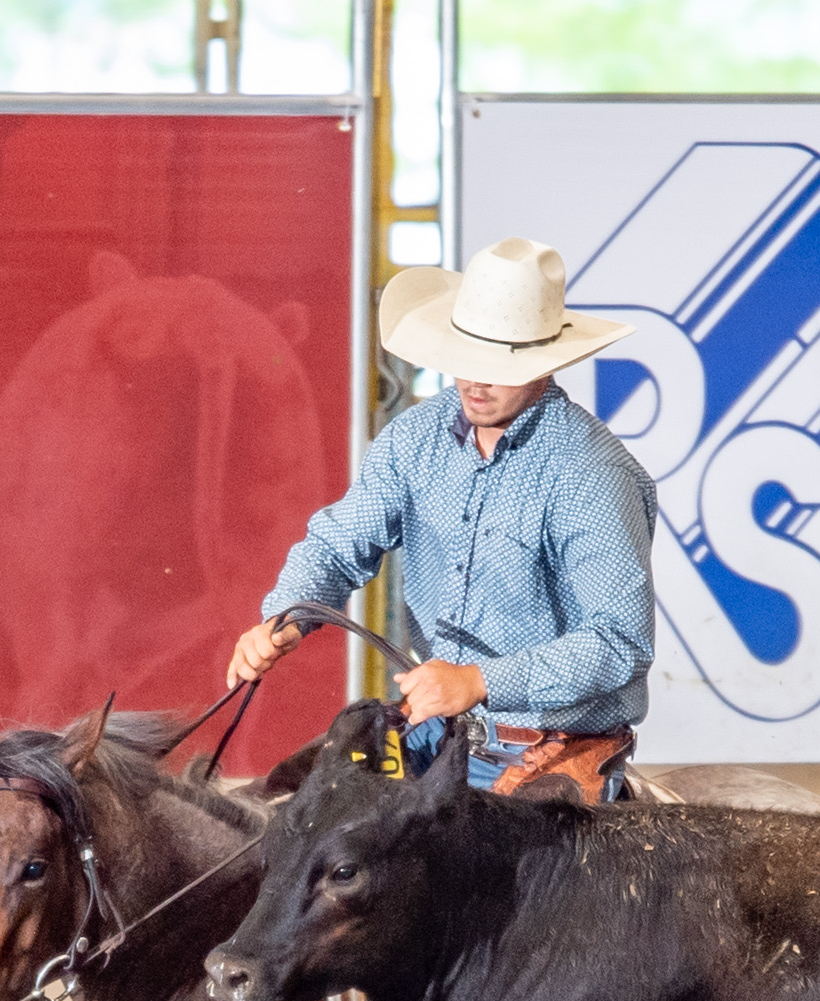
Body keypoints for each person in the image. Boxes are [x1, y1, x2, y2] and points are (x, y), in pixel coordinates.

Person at [227, 236, 656, 803]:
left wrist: (479, 681)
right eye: (465, 360)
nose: (474, 382)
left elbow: (619, 642)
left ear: (542, 365)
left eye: (496, 365)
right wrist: (284, 616)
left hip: (553, 745)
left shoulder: (589, 473)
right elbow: (337, 545)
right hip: (439, 731)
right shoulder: (413, 440)